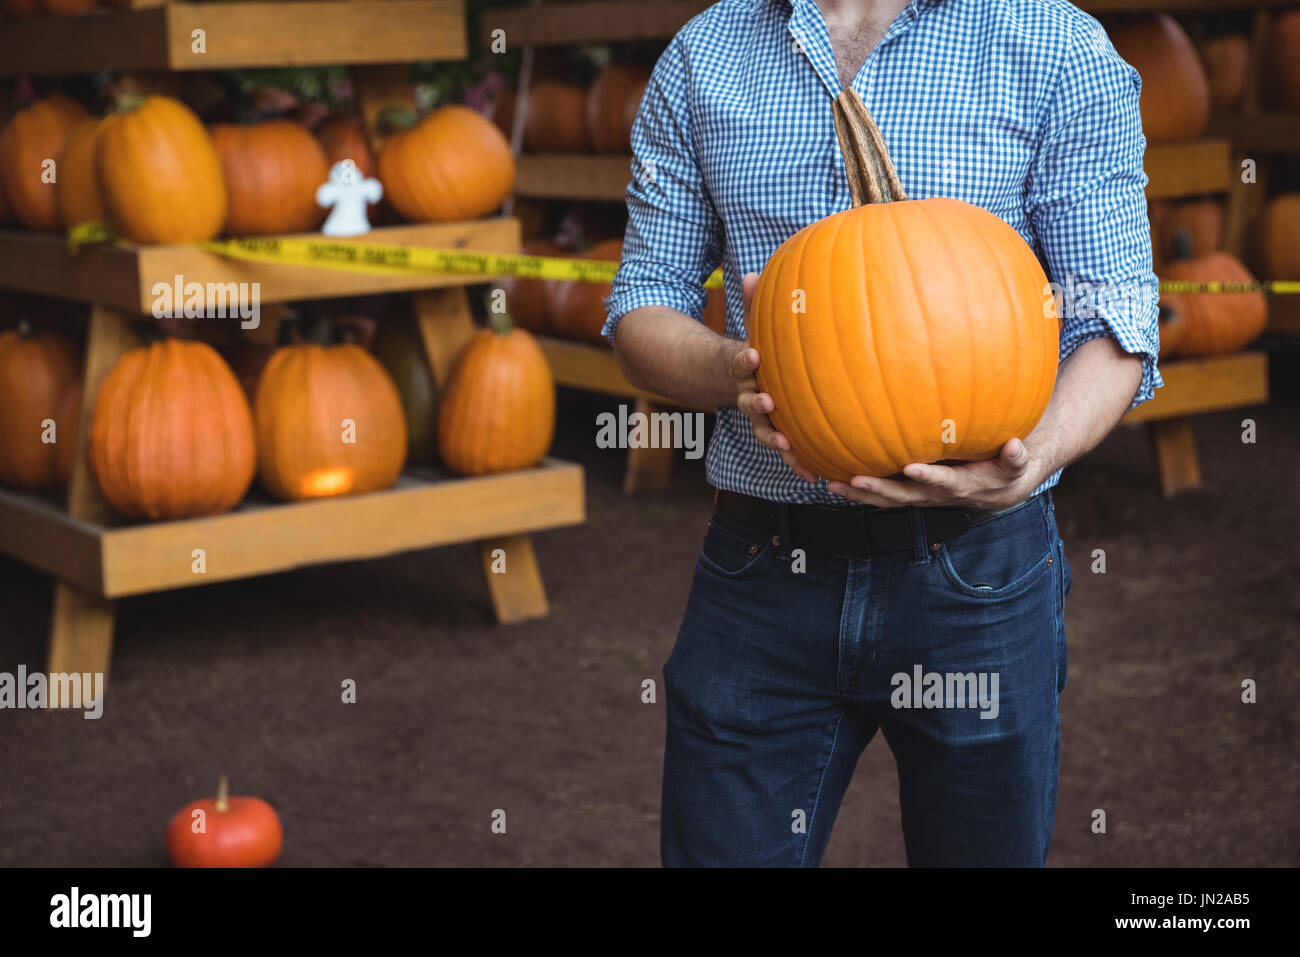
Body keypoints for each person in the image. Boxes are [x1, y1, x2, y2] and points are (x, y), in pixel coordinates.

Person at [603, 0, 1160, 866]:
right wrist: (736, 368)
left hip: (979, 571)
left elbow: (1118, 319)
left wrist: (1034, 458)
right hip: (764, 568)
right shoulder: (701, 56)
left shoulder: (1051, 40)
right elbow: (640, 304)